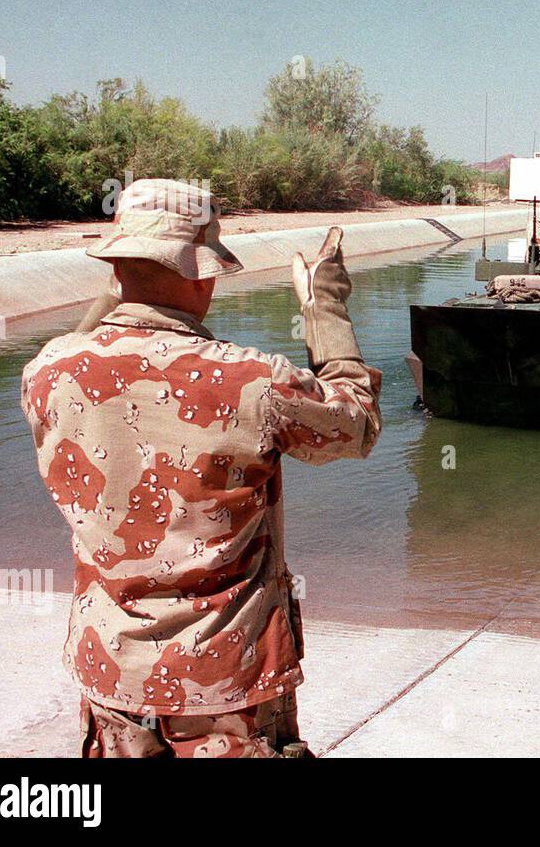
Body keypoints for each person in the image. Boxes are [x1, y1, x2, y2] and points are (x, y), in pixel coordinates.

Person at [20, 178, 381, 757]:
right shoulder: (254, 383)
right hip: (224, 680)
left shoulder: (46, 373)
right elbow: (355, 424)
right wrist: (326, 309)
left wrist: (125, 291)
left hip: (112, 672)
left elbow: (83, 341)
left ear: (116, 267)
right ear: (203, 273)